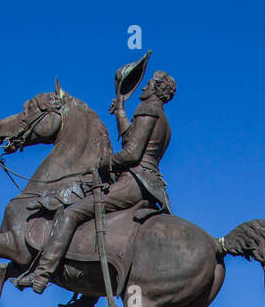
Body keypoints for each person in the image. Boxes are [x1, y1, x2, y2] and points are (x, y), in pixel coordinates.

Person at [16, 71, 175, 294]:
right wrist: (120, 111)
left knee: (73, 212)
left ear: (157, 89)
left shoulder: (147, 109)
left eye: (148, 84)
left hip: (134, 181)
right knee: (99, 220)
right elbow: (132, 138)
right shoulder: (162, 119)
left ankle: (41, 274)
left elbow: (131, 154)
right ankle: (86, 296)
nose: (144, 88)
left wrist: (103, 162)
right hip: (151, 187)